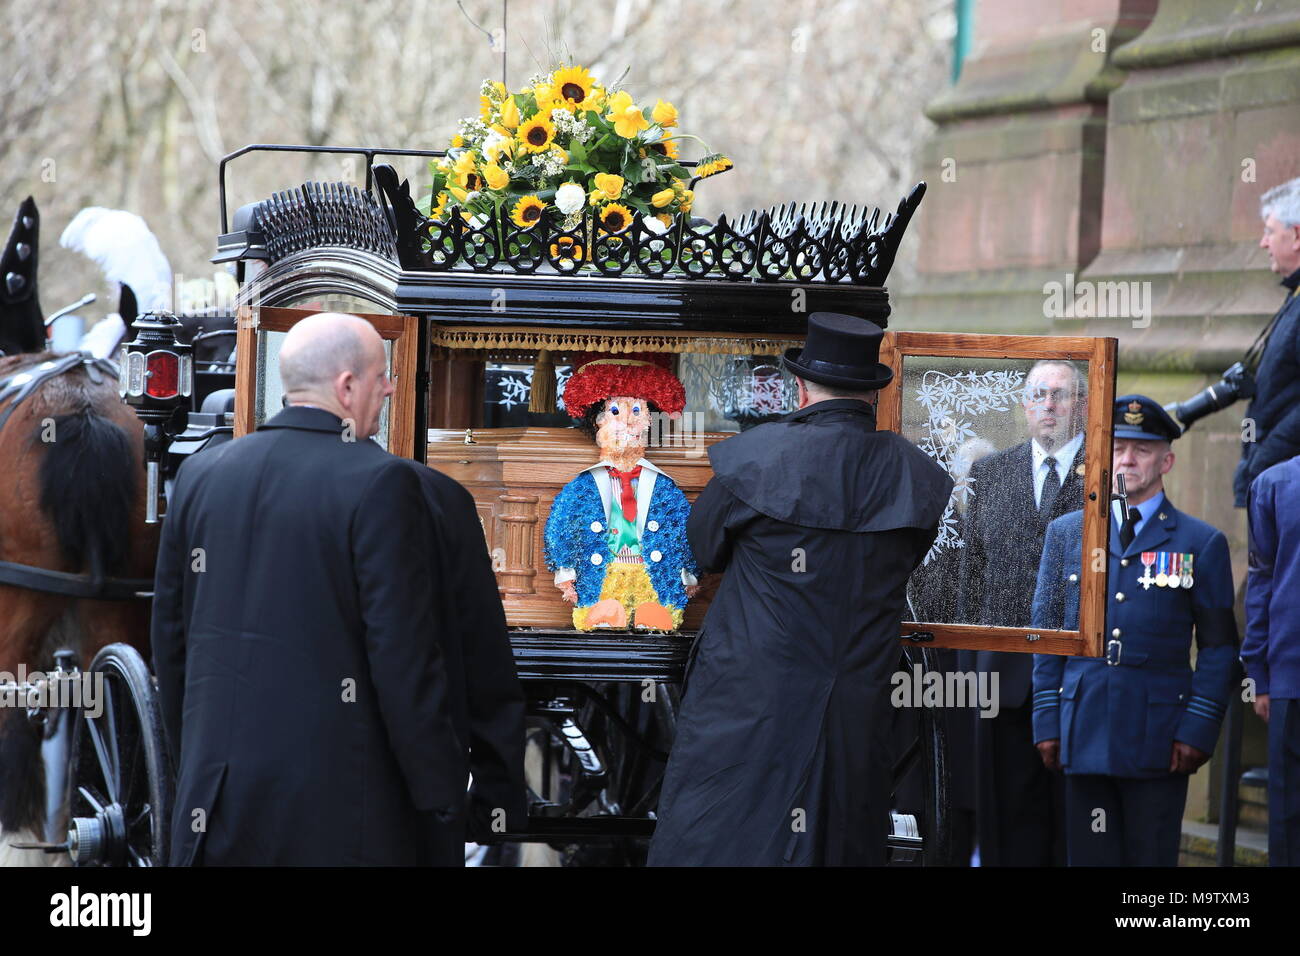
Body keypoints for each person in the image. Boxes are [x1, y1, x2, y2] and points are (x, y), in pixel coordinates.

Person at [152, 312, 466, 865]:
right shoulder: (382, 482)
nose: (390, 387)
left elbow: (172, 646)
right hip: (340, 816)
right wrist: (441, 795)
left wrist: (198, 765)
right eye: (381, 377)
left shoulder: (203, 476)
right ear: (347, 387)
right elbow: (403, 661)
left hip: (217, 807)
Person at [647, 312, 953, 866]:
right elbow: (907, 560)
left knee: (723, 832)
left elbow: (704, 550)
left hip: (750, 690)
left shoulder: (758, 458)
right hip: (856, 692)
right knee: (835, 833)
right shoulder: (914, 473)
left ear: (799, 386)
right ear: (872, 391)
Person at [1031, 395, 1237, 866]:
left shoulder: (1200, 543)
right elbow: (1046, 632)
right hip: (1081, 727)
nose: (1127, 459)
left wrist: (1199, 730)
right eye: (1119, 446)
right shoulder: (1069, 533)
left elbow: (1220, 648)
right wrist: (1047, 719)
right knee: (1089, 857)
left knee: (1150, 860)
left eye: (1142, 450)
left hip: (1160, 736)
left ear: (1166, 460)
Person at [957, 360, 1088, 866]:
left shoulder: (1102, 469)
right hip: (1002, 681)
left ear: (1080, 404)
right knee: (1006, 831)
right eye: (1038, 395)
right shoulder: (993, 471)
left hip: (1078, 678)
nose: (1049, 406)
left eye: (1060, 395)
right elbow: (971, 576)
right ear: (1024, 405)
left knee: (1073, 830)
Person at [1244, 452, 1300, 866]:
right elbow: (1261, 578)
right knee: (1288, 816)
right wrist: (1259, 674)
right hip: (1290, 677)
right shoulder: (1274, 484)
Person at [1235, 176, 1300, 506]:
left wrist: (1264, 462)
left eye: (1270, 231)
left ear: (1297, 235)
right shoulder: (1294, 296)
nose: (1263, 243)